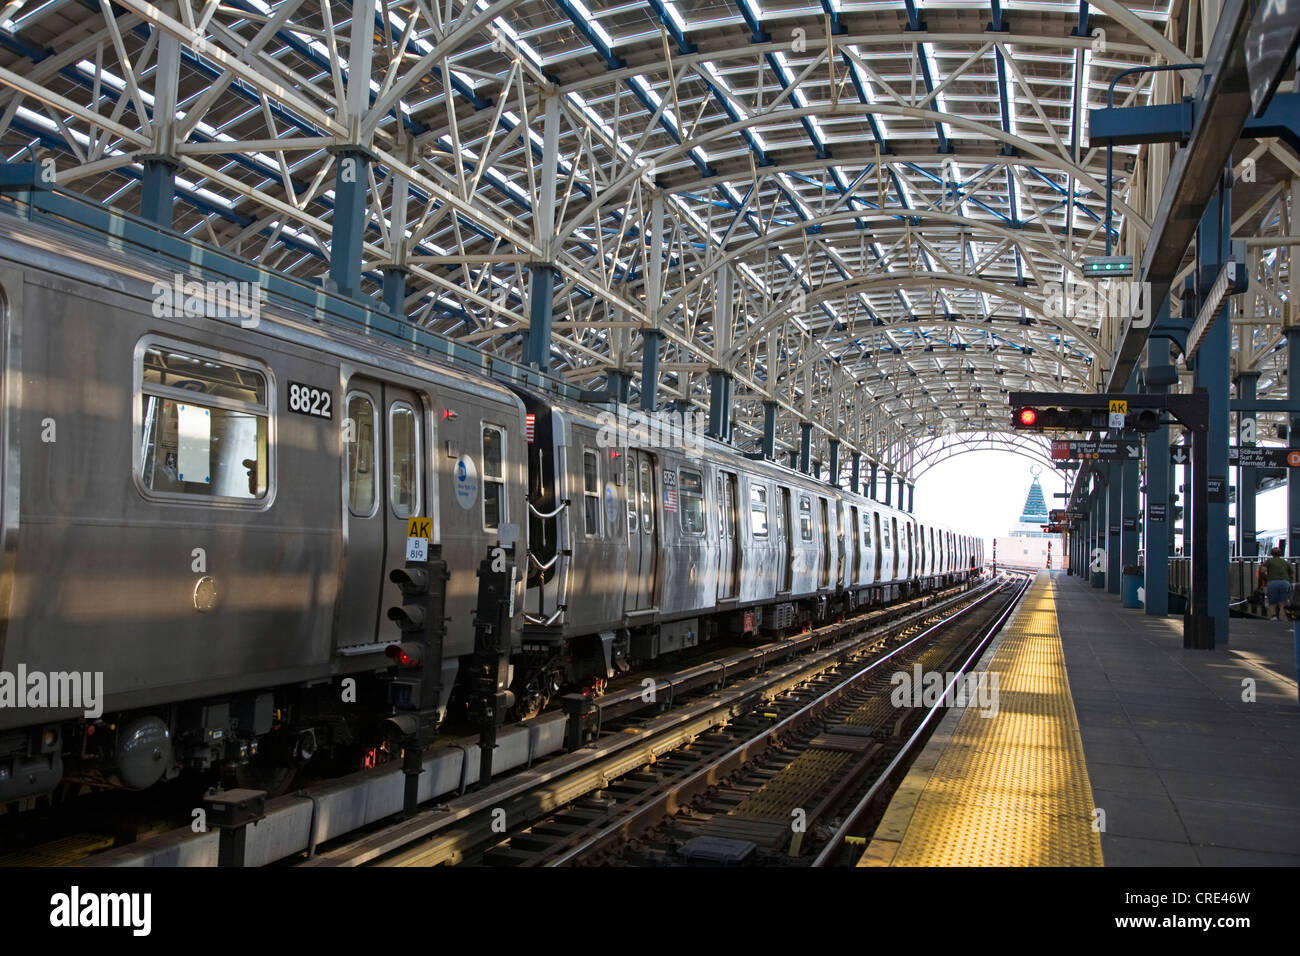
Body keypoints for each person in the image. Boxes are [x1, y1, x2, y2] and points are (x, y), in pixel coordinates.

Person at [1262, 547, 1294, 622]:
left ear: (1271, 554)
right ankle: (1282, 618)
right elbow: (1292, 575)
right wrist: (1289, 581)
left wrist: (1266, 578)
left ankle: (1274, 617)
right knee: (1283, 602)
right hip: (1285, 582)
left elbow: (1263, 571)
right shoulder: (1285, 562)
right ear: (1280, 554)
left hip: (1273, 582)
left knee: (1272, 602)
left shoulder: (1268, 561)